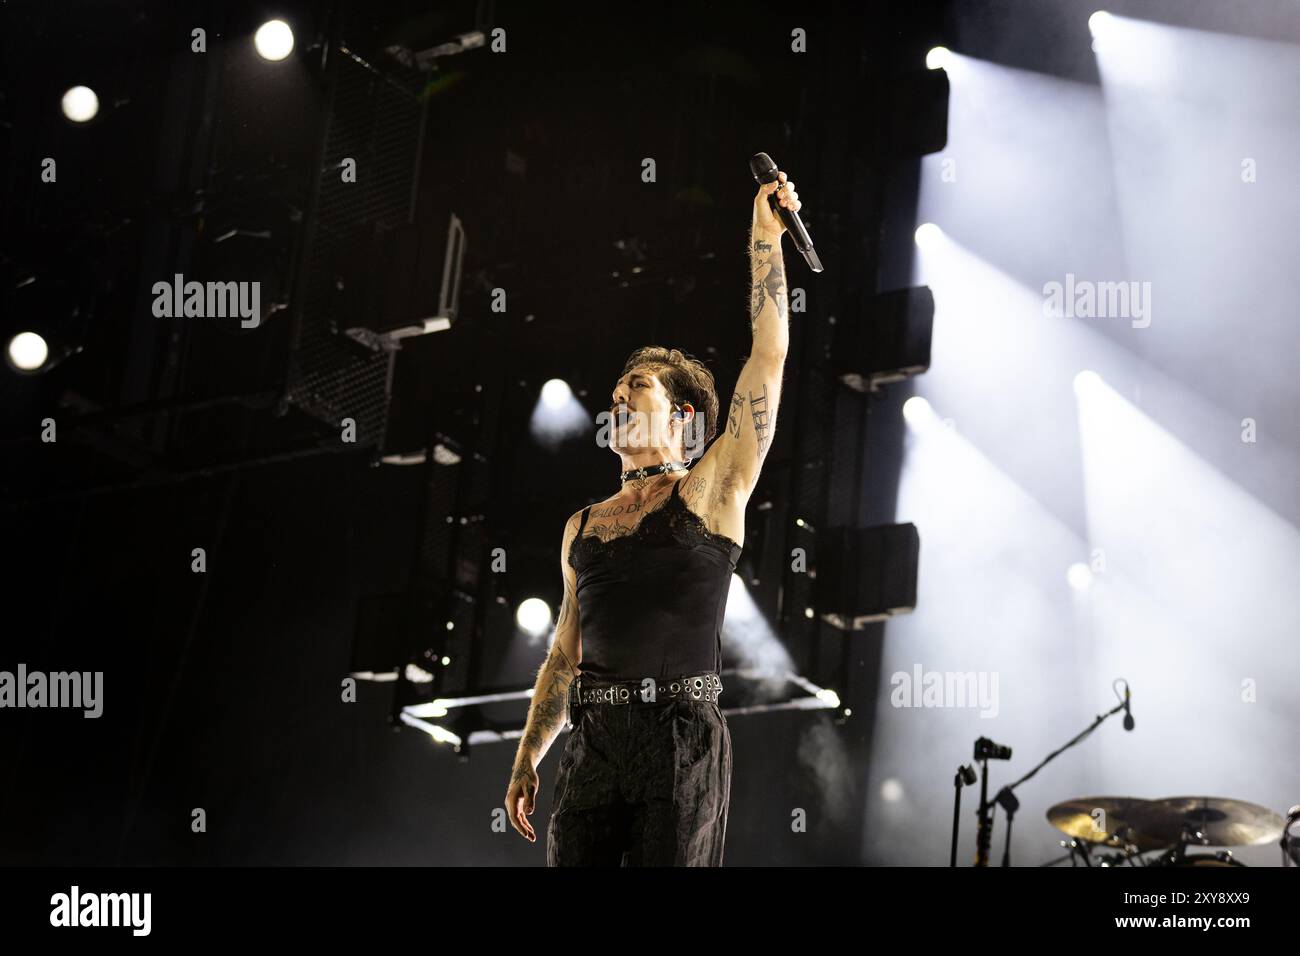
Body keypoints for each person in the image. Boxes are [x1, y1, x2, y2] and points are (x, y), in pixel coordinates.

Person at [503, 170, 801, 865]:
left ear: (683, 418)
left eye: (636, 387)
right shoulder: (582, 526)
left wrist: (765, 237)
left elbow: (770, 354)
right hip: (594, 744)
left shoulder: (712, 489)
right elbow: (564, 652)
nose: (618, 396)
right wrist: (527, 757)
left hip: (681, 735)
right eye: (614, 389)